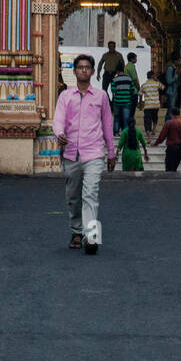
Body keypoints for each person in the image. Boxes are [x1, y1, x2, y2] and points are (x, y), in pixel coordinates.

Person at [53, 54, 115, 254]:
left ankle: (92, 237)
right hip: (71, 152)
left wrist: (111, 152)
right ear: (74, 71)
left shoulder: (101, 97)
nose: (83, 70)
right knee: (73, 197)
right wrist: (59, 134)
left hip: (94, 152)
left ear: (92, 71)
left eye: (87, 67)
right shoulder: (65, 96)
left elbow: (107, 124)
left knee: (90, 194)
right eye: (80, 67)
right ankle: (76, 230)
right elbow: (58, 119)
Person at [109, 62, 136, 137]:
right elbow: (132, 90)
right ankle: (125, 133)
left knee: (116, 118)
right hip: (127, 101)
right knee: (126, 118)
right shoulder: (129, 79)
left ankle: (116, 133)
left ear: (117, 71)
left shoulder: (114, 80)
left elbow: (113, 90)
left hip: (117, 102)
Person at [139, 71, 161, 139]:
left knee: (147, 120)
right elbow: (163, 87)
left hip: (148, 106)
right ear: (153, 76)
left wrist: (140, 103)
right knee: (155, 117)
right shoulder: (157, 84)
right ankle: (154, 129)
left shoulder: (144, 85)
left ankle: (148, 136)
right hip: (156, 105)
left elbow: (140, 94)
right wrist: (157, 80)